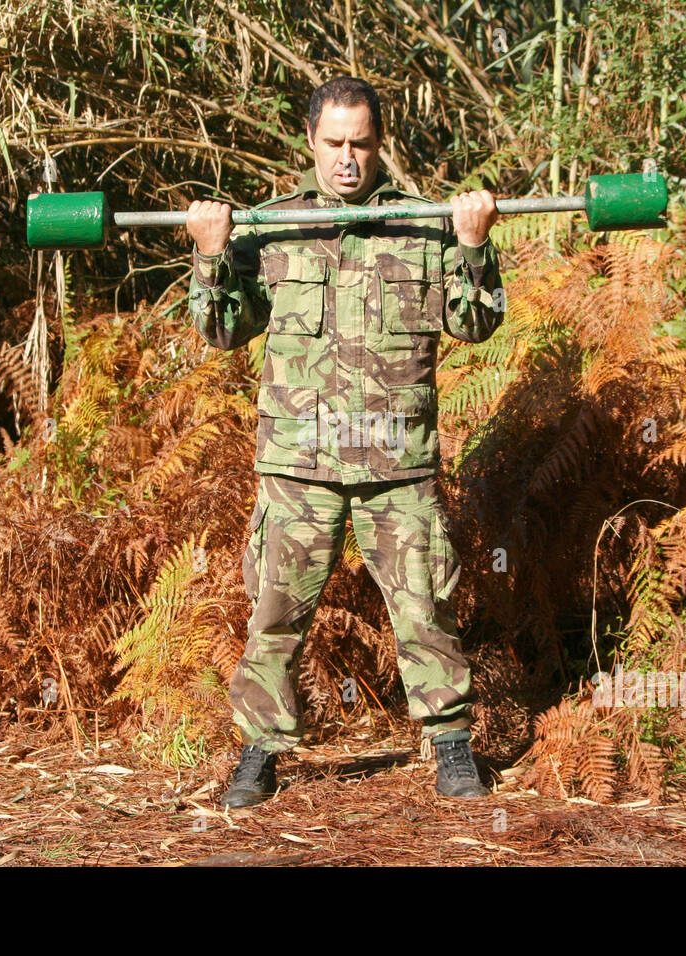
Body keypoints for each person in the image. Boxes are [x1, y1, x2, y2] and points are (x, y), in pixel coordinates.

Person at [185, 76, 504, 807]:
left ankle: (452, 746)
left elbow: (476, 322)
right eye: (334, 144)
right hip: (300, 462)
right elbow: (221, 330)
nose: (348, 160)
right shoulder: (270, 226)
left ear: (380, 144)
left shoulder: (427, 224)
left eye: (361, 143)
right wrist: (209, 254)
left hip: (397, 461)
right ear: (310, 142)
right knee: (275, 614)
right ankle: (260, 753)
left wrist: (475, 245)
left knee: (426, 608)